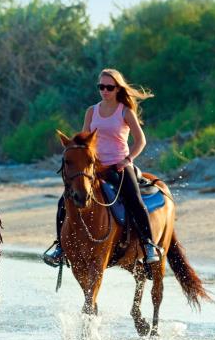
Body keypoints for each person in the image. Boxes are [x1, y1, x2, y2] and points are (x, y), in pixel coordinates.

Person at [43, 68, 160, 266]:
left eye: (109, 87)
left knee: (135, 200)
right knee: (64, 202)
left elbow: (141, 141)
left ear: (117, 88)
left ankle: (148, 245)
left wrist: (127, 159)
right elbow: (84, 141)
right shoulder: (92, 111)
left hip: (119, 166)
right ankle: (60, 247)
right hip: (94, 168)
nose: (105, 91)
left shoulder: (125, 111)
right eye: (101, 87)